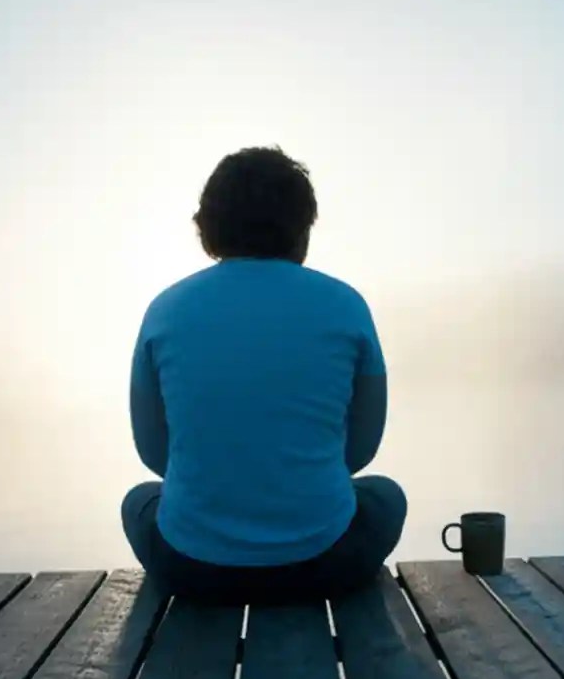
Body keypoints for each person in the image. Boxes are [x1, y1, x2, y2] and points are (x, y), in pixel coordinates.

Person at [121, 146, 406, 605]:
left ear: (208, 230)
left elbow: (156, 456)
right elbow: (360, 451)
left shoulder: (165, 310)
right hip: (324, 563)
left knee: (140, 500)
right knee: (386, 497)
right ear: (301, 228)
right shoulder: (346, 305)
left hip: (193, 570)